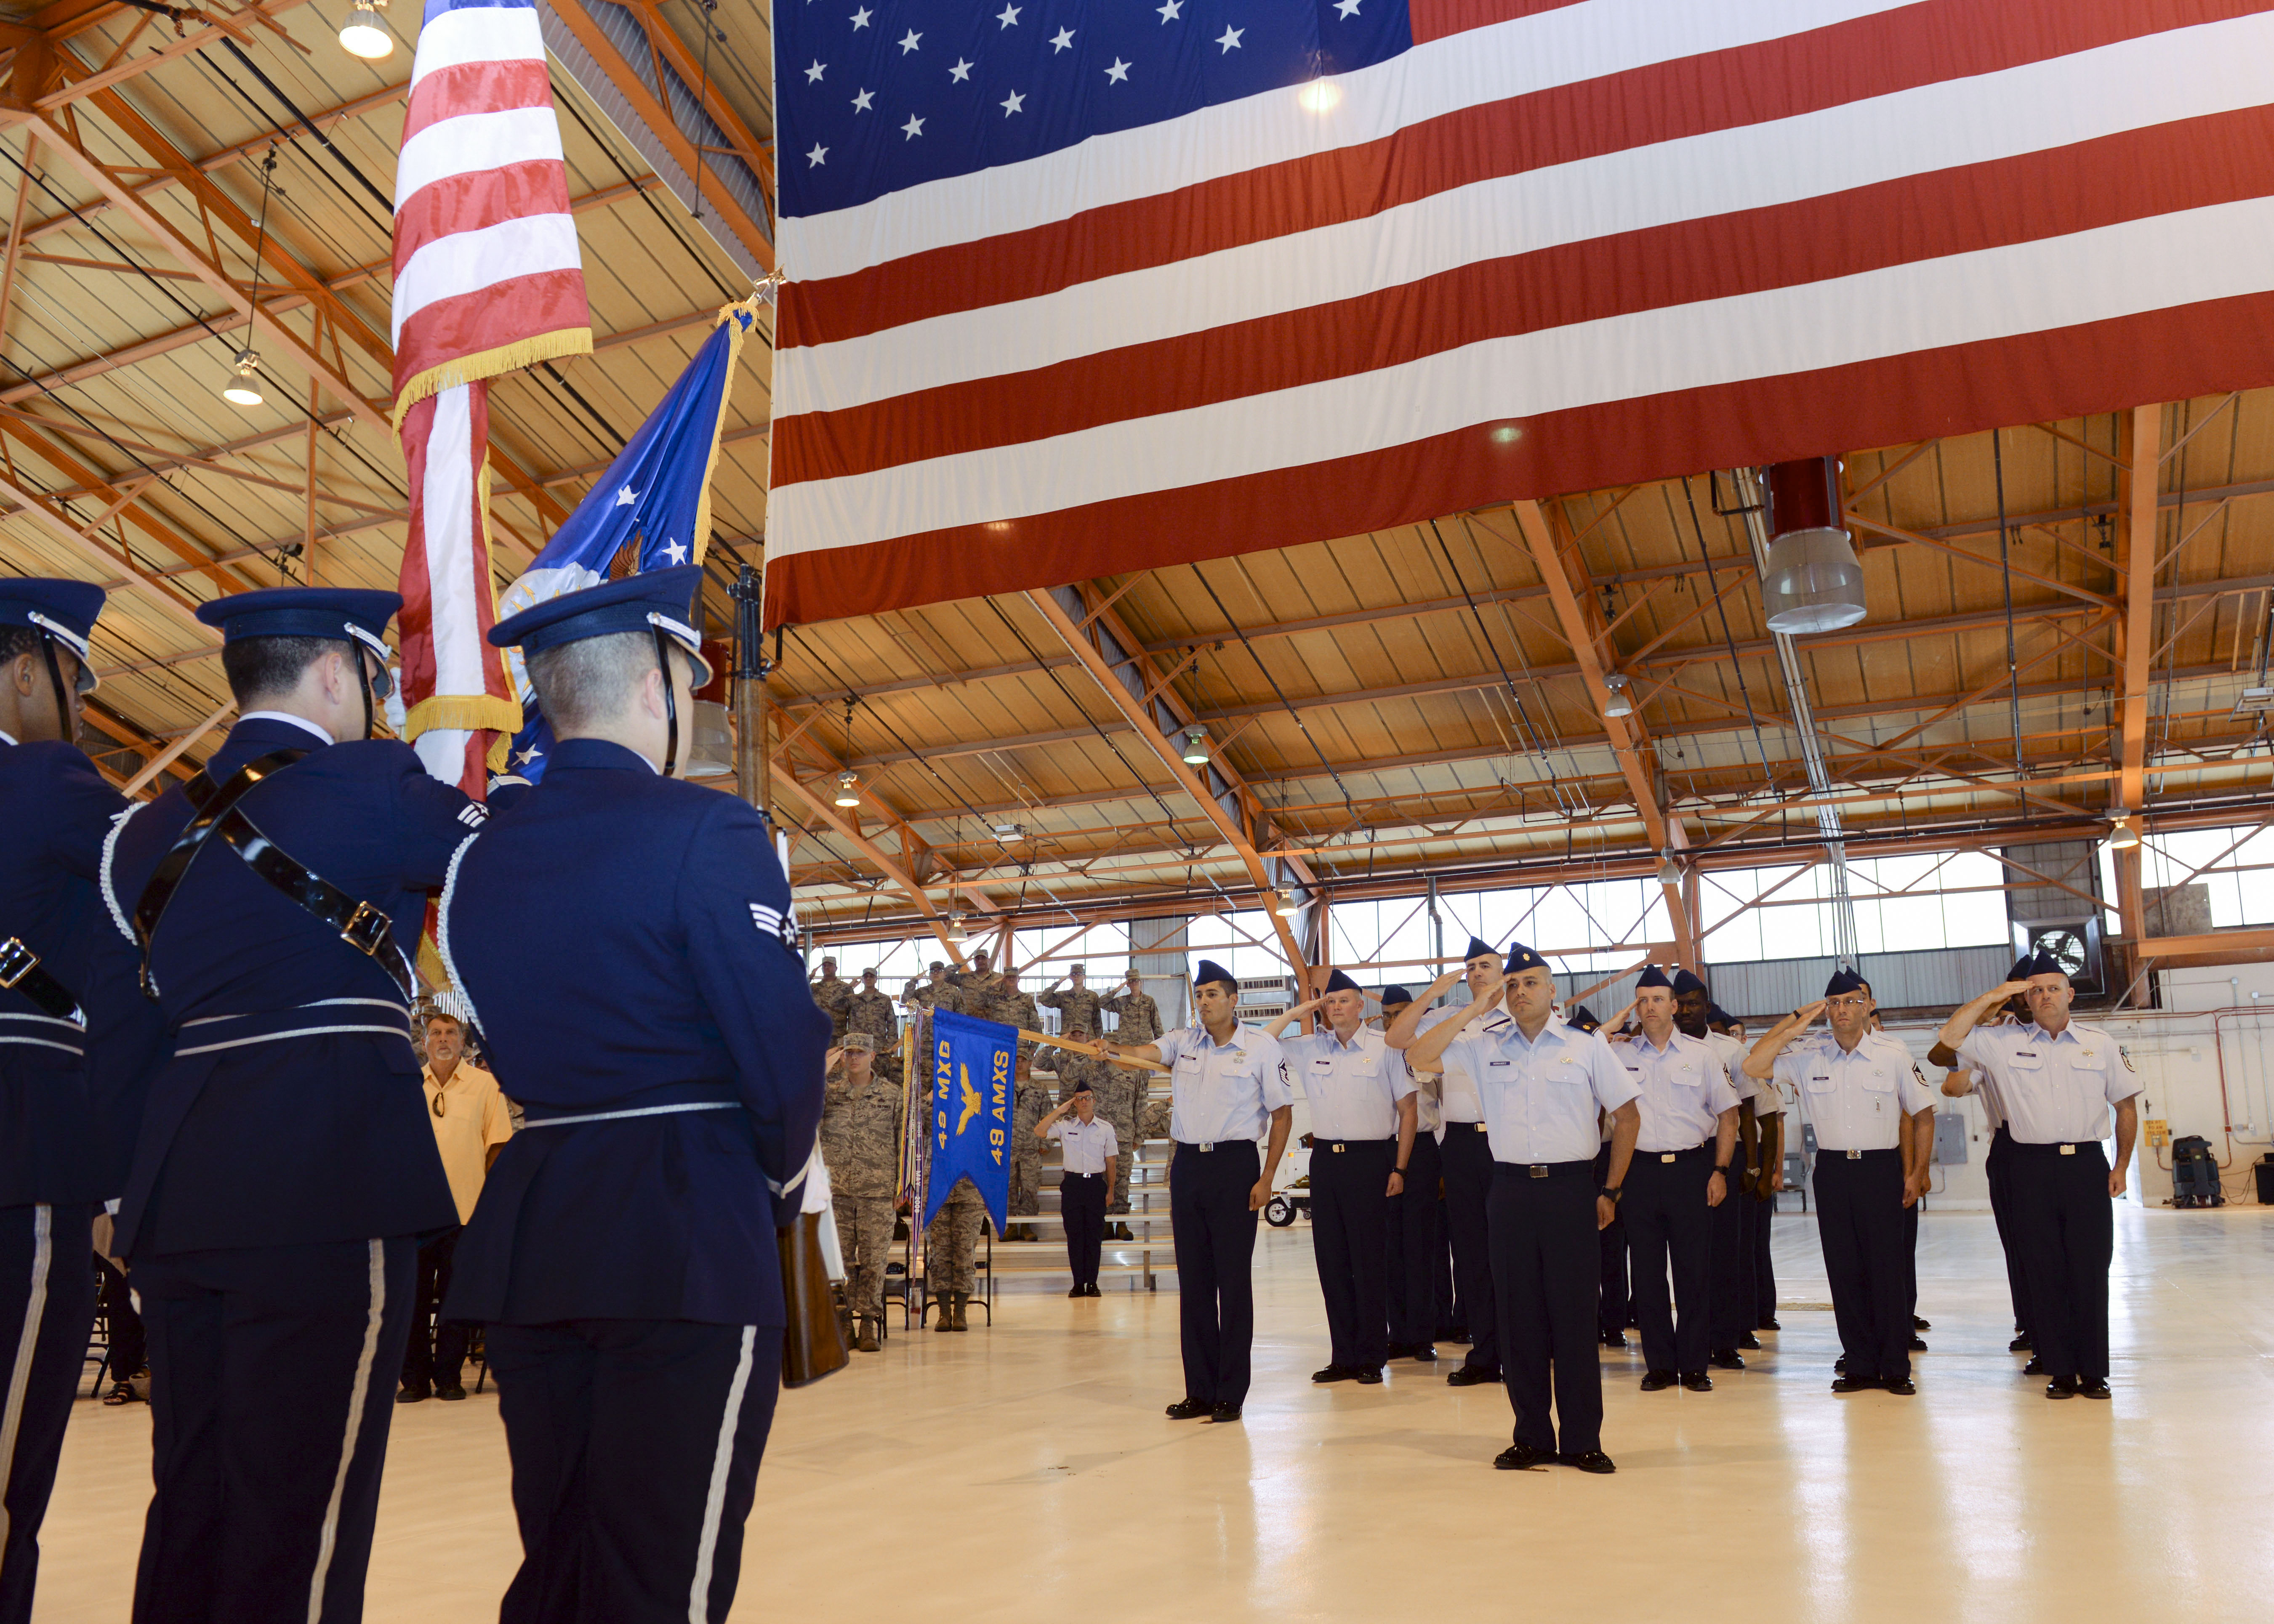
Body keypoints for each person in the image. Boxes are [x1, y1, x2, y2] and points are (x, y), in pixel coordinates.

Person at [437, 566, 831, 1620]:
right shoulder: (709, 831)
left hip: (538, 1236)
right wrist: (775, 1189)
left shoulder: (477, 860)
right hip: (685, 1229)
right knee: (667, 1572)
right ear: (659, 689)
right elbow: (780, 1049)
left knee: (559, 1557)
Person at [96, 585, 476, 1622]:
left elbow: (128, 1027)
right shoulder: (375, 783)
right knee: (300, 1511)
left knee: (195, 1497)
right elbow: (509, 863)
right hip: (324, 1177)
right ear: (335, 670)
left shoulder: (139, 835)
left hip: (180, 1191)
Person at [0, 579, 125, 1624]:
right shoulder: (48, 778)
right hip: (23, 1139)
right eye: (75, 680)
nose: (77, 710)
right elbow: (178, 890)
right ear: (29, 667)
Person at [1405, 944, 1641, 1474]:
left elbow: (1626, 1116)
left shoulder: (1585, 1047)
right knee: (1518, 1319)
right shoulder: (1481, 1045)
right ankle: (1530, 1435)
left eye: (1531, 983)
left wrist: (1611, 1190)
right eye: (1512, 985)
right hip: (1509, 1191)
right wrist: (1472, 1008)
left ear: (1553, 990)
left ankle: (1582, 1439)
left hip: (1569, 1190)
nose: (1520, 992)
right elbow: (1418, 1057)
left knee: (1574, 1317)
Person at [1931, 952, 2139, 1400]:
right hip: (2028, 1167)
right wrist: (1995, 996)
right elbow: (1948, 1039)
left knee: (2088, 1268)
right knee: (2043, 1270)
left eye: (2052, 988)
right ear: (2026, 998)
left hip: (2085, 1164)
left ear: (2069, 994)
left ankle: (2094, 1371)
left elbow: (2124, 1105)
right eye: (2035, 989)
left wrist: (2120, 1165)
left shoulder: (2098, 1043)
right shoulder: (2001, 1042)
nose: (2044, 996)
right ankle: (2060, 1370)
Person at [1109, 958, 1292, 1424]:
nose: (1204, 1001)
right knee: (1193, 1284)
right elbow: (1144, 1052)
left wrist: (1267, 1177)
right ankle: (1199, 1389)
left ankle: (1230, 1392)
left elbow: (1282, 1114)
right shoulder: (1182, 1042)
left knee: (1232, 1284)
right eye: (1200, 994)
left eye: (1213, 994)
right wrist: (1109, 1049)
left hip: (1235, 1166)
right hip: (1189, 1164)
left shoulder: (1261, 1047)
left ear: (1233, 1000)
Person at [1746, 973, 1935, 1394]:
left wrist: (1916, 1172)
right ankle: (1860, 1364)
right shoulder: (1808, 1053)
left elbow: (1923, 1115)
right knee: (1843, 1271)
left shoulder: (1892, 1052)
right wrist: (1796, 1020)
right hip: (1832, 1172)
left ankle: (1894, 1366)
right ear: (1825, 1009)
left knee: (1886, 1271)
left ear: (1867, 1005)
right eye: (1834, 1002)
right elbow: (1753, 1064)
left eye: (1851, 1001)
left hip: (1880, 1169)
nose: (1842, 1009)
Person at [1270, 970, 1418, 1383]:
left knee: (1368, 1260)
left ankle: (1372, 1354)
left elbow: (1408, 1110)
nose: (1335, 1007)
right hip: (1326, 1163)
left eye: (1342, 1000)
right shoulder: (1310, 1047)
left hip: (1370, 1159)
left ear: (1360, 1006)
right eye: (1329, 1001)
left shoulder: (1384, 1048)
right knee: (1331, 1261)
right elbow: (1264, 1041)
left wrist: (1399, 1167)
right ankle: (1343, 1354)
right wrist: (1301, 1010)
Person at [1385, 936, 1510, 1388]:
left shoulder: (1520, 1015)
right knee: (1471, 1253)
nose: (1476, 972)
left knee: (1512, 1252)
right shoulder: (1446, 1017)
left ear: (1503, 972)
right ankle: (1485, 1351)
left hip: (1508, 1141)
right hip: (1459, 1144)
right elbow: (1397, 1038)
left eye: (1485, 965)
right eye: (1470, 966)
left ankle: (1524, 1346)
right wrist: (1436, 995)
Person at [1616, 966, 1740, 1393]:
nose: (1649, 1007)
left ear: (1674, 1006)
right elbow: (1584, 1052)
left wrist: (1720, 1171)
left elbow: (1728, 1116)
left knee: (1693, 1273)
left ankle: (1693, 1365)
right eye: (1641, 999)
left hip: (1691, 1170)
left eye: (1657, 999)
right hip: (1638, 1174)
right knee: (1647, 1276)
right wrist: (1613, 1025)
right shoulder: (1619, 1054)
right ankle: (1660, 1366)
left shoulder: (1702, 1055)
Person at [400, 1011, 512, 1403]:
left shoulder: (486, 1086)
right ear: (425, 1041)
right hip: (415, 1215)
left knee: (456, 1301)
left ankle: (449, 1377)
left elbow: (498, 1146)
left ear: (463, 1041)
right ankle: (413, 1378)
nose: (443, 1039)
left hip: (467, 1213)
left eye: (451, 1032)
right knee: (410, 1302)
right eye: (436, 1033)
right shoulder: (408, 1085)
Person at [1675, 970, 1773, 1370]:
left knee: (1726, 1253)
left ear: (1707, 1005)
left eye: (1693, 1003)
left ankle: (1725, 1341)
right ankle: (1691, 1341)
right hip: (1684, 1159)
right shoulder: (1664, 1046)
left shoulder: (1730, 1050)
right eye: (1679, 1003)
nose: (1685, 1010)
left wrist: (1750, 1163)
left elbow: (1746, 1110)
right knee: (1688, 1257)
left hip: (1724, 1156)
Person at [820, 1033, 902, 1353]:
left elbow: (903, 1143)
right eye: (849, 1052)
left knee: (873, 1261)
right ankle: (843, 1322)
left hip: (878, 1192)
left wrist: (902, 1188)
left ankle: (868, 1322)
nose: (854, 1058)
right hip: (836, 1192)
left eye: (860, 1052)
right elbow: (800, 1114)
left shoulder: (892, 1096)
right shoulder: (827, 1094)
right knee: (839, 1262)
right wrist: (818, 1075)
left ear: (873, 1056)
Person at [1376, 985, 1444, 1362]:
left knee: (1420, 1246)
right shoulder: (1374, 1050)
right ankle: (1397, 1332)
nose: (1392, 1022)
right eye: (1387, 1016)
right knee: (1389, 1247)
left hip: (1421, 1150)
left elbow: (1451, 1102)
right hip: (1382, 1149)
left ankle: (1422, 1334)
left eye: (1399, 1014)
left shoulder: (1430, 1047)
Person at [1570, 1004, 1636, 1348]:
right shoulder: (1571, 1066)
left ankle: (1614, 1323)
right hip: (1580, 1162)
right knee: (1580, 1252)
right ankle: (1588, 1322)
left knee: (1613, 1250)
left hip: (1611, 1159)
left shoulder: (1616, 1062)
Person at [1038, 1086, 1118, 1296]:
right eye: (1079, 1099)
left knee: (1094, 1236)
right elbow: (1040, 1131)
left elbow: (1111, 1162)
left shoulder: (1105, 1128)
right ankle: (1078, 1284)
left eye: (1087, 1098)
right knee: (1075, 1237)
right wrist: (1058, 1111)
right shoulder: (1065, 1126)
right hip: (1073, 1186)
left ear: (1094, 1100)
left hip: (1095, 1186)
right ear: (1074, 1102)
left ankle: (1092, 1283)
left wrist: (1111, 1190)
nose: (1084, 1102)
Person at [1008, 1059, 1054, 1241]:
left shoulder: (1039, 1088)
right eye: (1016, 1060)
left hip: (1031, 1147)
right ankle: (1011, 1226)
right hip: (1007, 1148)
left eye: (1023, 1061)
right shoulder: (1001, 1087)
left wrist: (1046, 1143)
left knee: (1030, 1188)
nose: (1019, 1064)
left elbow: (1048, 1115)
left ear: (1030, 1064)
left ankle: (1027, 1226)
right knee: (1008, 1188)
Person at [844, 969, 900, 1079]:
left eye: (871, 977)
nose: (869, 979)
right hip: (856, 1048)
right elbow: (834, 1006)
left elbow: (892, 1024)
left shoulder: (884, 1000)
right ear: (863, 980)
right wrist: (848, 988)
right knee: (855, 1079)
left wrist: (889, 1048)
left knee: (877, 1081)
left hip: (877, 1049)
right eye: (866, 977)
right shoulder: (853, 999)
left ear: (876, 979)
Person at [1101, 967, 1162, 1046]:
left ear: (1141, 982)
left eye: (1136, 980)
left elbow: (1157, 1024)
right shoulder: (1122, 1001)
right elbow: (1102, 1003)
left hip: (1145, 1045)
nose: (1134, 983)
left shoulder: (1149, 1001)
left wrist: (1161, 1045)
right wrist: (1117, 990)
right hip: (1127, 1045)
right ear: (1127, 984)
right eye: (1131, 981)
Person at [811, 956, 853, 1040]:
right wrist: (810, 977)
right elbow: (798, 990)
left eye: (829, 965)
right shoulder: (814, 988)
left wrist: (850, 1035)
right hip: (817, 1034)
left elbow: (852, 1013)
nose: (826, 968)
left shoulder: (845, 988)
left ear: (836, 968)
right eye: (824, 966)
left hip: (838, 1036)